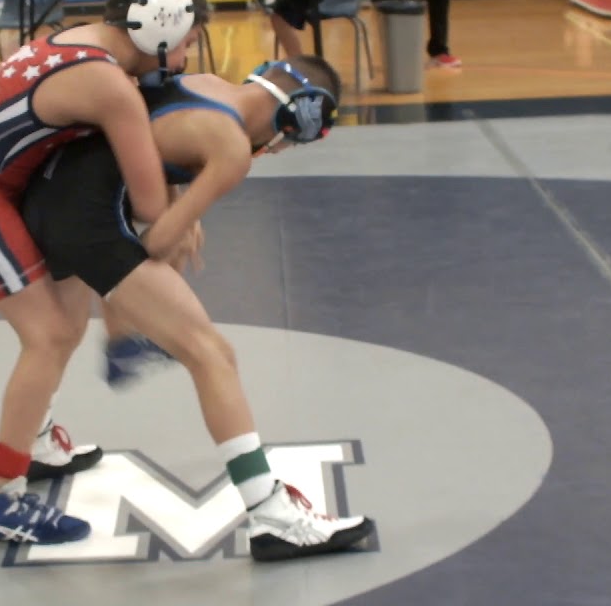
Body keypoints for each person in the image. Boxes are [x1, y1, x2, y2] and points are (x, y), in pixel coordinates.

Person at [19, 56, 377, 561]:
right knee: (212, 354)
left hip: (46, 195)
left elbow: (147, 141)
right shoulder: (232, 148)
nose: (281, 149)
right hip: (89, 219)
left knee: (60, 334)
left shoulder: (203, 82)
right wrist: (180, 225)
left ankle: (35, 439)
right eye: (294, 141)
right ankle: (272, 515)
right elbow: (157, 241)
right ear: (297, 118)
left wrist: (176, 208)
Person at [0, 0, 203, 545]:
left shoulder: (86, 41)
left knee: (67, 325)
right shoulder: (110, 86)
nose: (185, 61)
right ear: (160, 29)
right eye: (186, 44)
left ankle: (36, 439)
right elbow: (151, 205)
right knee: (47, 335)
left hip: (5, 180)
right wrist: (197, 191)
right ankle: (1, 498)